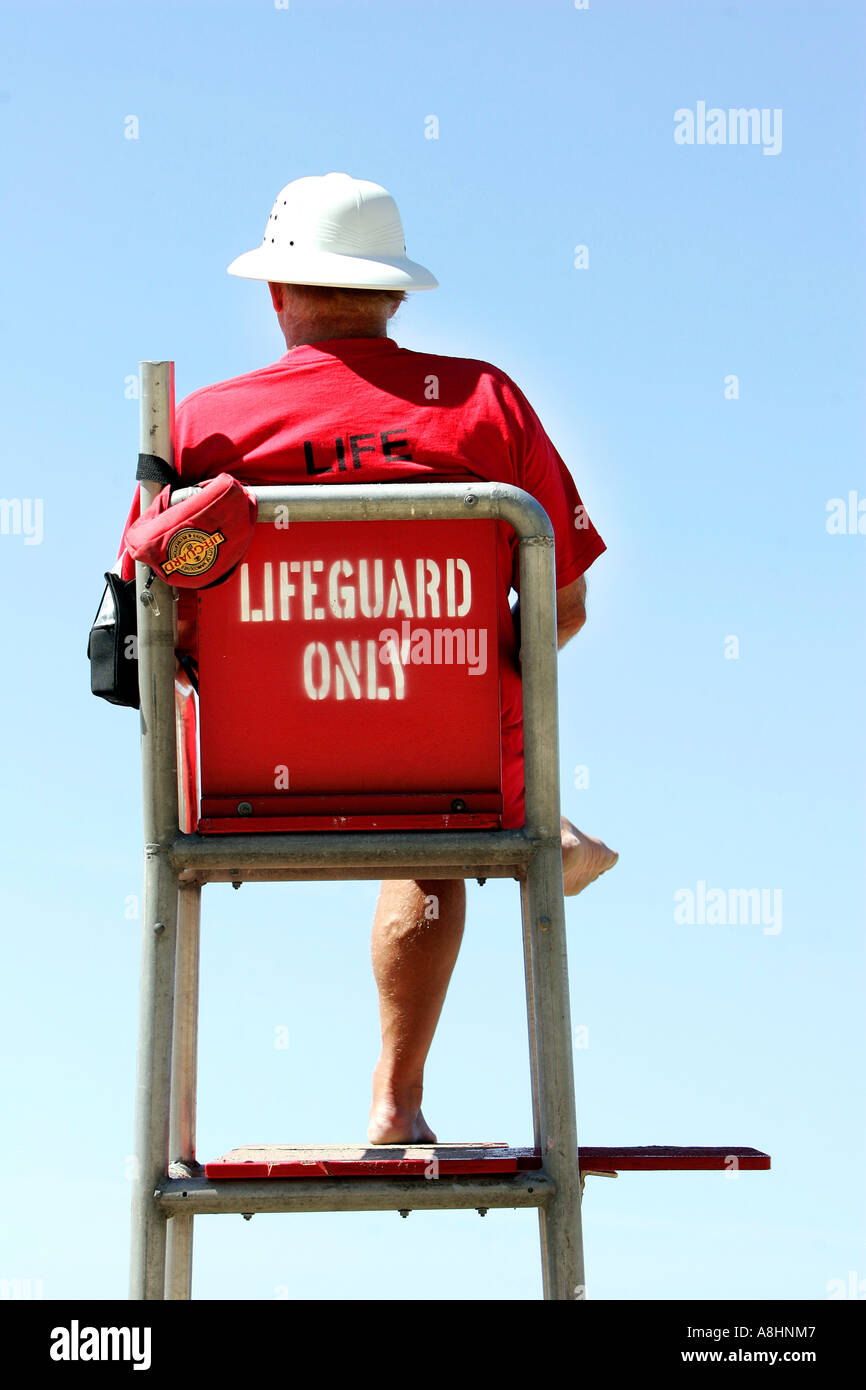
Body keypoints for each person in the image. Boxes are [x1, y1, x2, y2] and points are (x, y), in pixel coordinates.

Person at [117, 173, 617, 1144]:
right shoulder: (483, 404)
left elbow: (153, 624)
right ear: (393, 296)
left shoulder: (199, 423)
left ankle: (169, 1134)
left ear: (275, 293)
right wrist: (440, 672)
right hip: (447, 771)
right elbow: (564, 608)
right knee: (433, 810)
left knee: (399, 764)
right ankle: (396, 1097)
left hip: (237, 776)